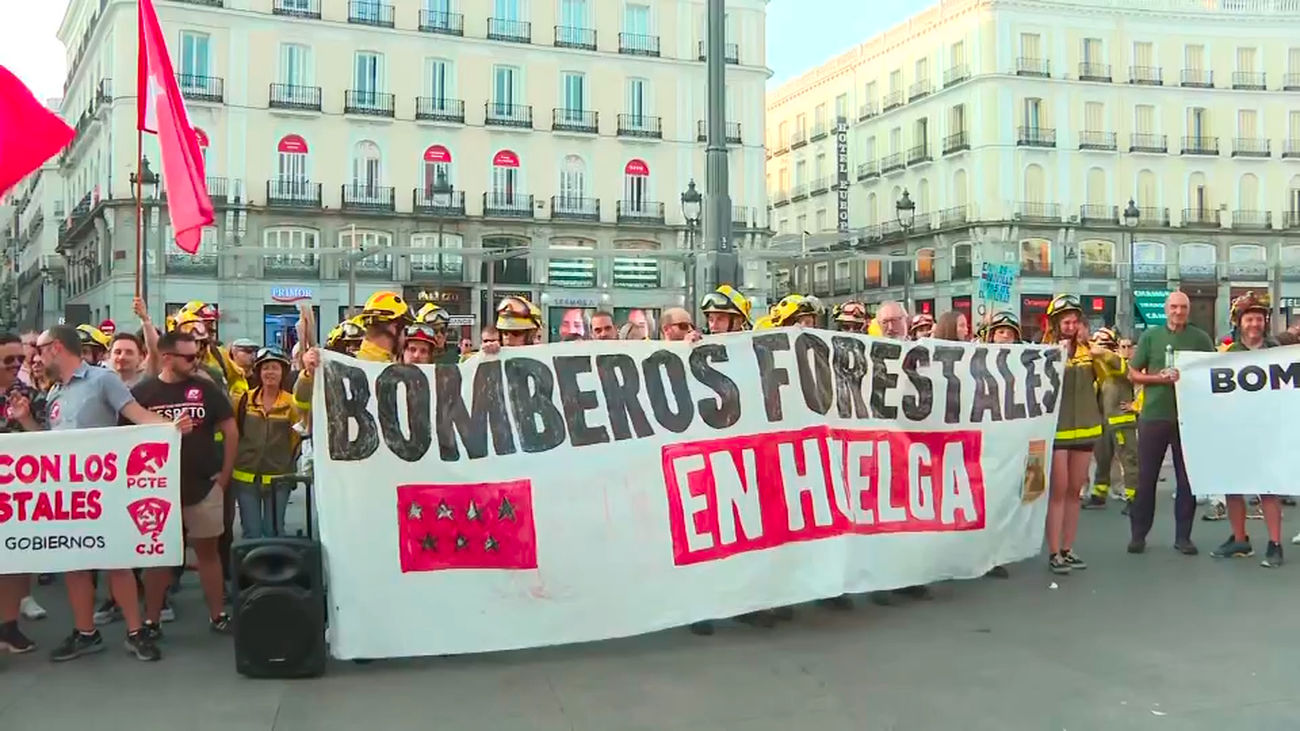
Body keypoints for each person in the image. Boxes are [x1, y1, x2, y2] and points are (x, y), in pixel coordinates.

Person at [21, 325, 189, 662]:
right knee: (75, 563)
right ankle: (86, 632)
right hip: (70, 495)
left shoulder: (102, 379)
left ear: (56, 347)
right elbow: (47, 448)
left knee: (116, 561)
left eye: (40, 350)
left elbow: (135, 415)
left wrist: (169, 428)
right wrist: (25, 420)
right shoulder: (54, 392)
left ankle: (135, 631)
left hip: (104, 491)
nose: (35, 358)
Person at [131, 331, 238, 638]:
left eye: (197, 356)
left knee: (208, 554)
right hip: (158, 490)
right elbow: (128, 438)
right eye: (189, 357)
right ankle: (151, 621)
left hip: (203, 486)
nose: (195, 361)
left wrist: (225, 476)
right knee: (158, 557)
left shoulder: (206, 389)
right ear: (166, 357)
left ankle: (217, 615)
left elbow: (231, 431)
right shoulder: (144, 393)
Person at [1127, 290, 1214, 555]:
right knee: (1146, 479)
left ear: (1188, 310)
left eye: (1183, 308)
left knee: (1186, 480)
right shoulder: (1151, 337)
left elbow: (1212, 372)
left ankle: (1183, 537)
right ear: (1166, 309)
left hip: (1188, 417)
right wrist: (1158, 379)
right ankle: (1138, 535)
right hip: (1154, 415)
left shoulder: (1200, 338)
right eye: (1174, 307)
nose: (1178, 312)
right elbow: (1133, 373)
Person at [1210, 292, 1284, 568]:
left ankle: (1275, 543)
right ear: (1239, 324)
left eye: (1258, 319)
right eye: (1248, 319)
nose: (1254, 324)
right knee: (1233, 485)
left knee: (1269, 488)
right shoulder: (1229, 355)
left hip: (1269, 431)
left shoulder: (1277, 352)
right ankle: (1240, 538)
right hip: (1238, 431)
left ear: (1264, 322)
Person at [1041, 294, 1102, 575]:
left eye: (1075, 321)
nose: (1071, 325)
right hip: (1058, 430)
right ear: (1055, 323)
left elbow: (1112, 375)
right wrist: (1057, 356)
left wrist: (1101, 352)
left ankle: (1068, 547)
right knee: (1058, 490)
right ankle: (1053, 551)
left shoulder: (1091, 350)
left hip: (1087, 426)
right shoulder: (1045, 350)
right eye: (1065, 321)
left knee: (1075, 491)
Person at [0, 332, 48, 652]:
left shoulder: (31, 395)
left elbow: (48, 442)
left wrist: (26, 419)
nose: (17, 365)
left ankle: (8, 627)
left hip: (18, 496)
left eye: (22, 359)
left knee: (16, 561)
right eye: (9, 360)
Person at [232, 347, 301, 540]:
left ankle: (274, 569)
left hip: (279, 479)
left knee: (275, 531)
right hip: (246, 477)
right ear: (258, 372)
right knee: (251, 532)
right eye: (265, 368)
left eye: (275, 368)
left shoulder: (292, 403)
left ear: (283, 373)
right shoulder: (244, 400)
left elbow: (297, 437)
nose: (270, 372)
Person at [1081, 327, 1139, 516]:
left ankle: (1134, 499)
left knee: (1128, 460)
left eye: (1103, 343)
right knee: (1102, 459)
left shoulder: (1117, 361)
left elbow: (1127, 372)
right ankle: (1099, 495)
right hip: (1103, 421)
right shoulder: (1097, 366)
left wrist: (1136, 406)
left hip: (1121, 419)